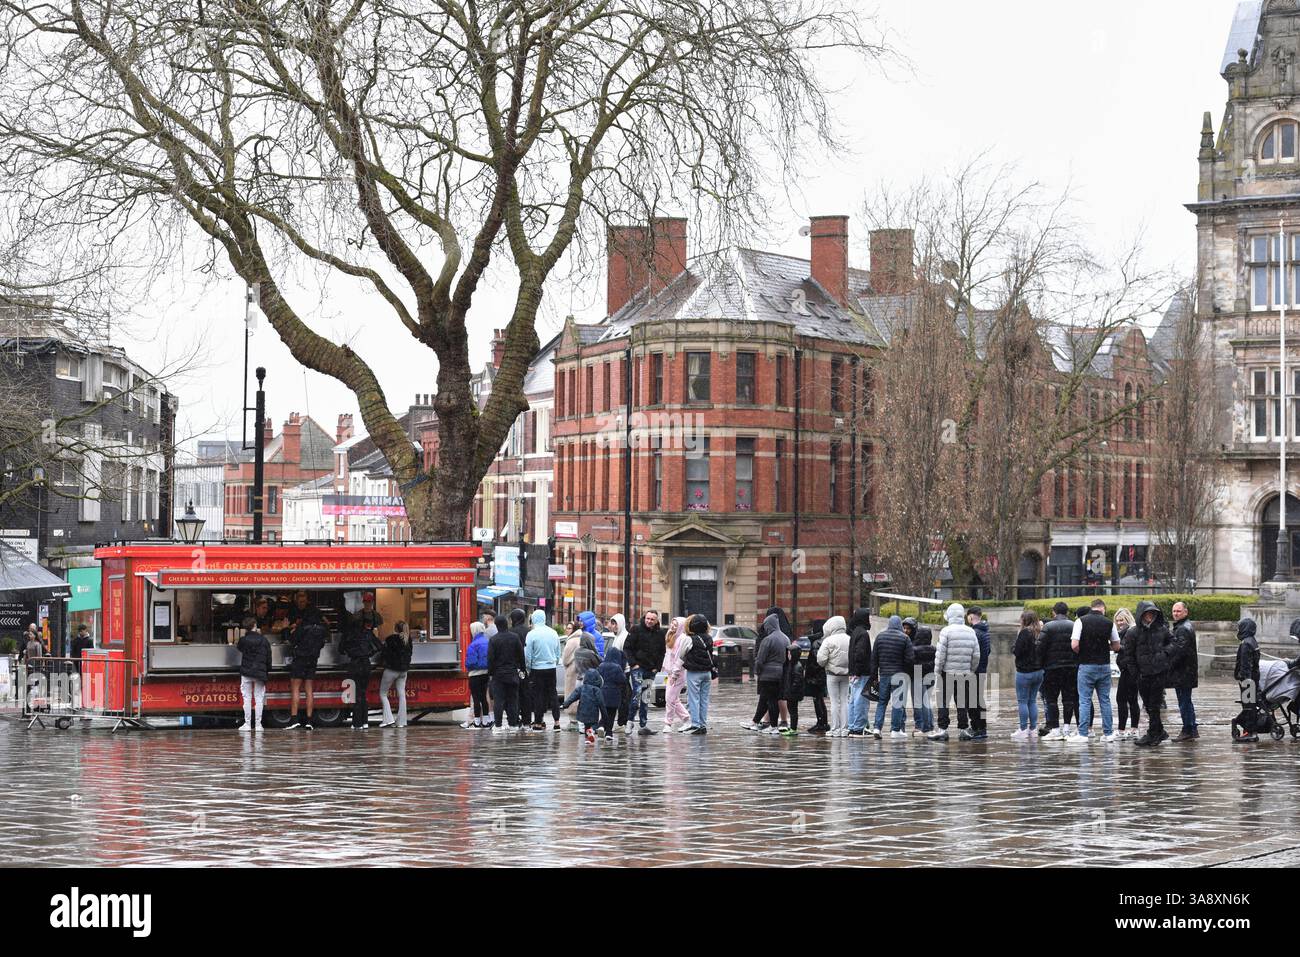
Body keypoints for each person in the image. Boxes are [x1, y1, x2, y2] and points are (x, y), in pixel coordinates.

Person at [1069, 599, 1121, 745]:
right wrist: (1104, 648)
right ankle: (1108, 733)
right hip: (1104, 666)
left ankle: (1083, 733)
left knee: (1084, 700)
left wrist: (1084, 651)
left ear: (1092, 608)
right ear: (1103, 608)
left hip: (1086, 665)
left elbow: (1074, 644)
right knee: (1105, 700)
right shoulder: (1109, 623)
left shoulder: (1080, 621)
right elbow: (1117, 646)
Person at [927, 603, 980, 742]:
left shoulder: (946, 631)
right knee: (962, 702)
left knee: (943, 701)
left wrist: (937, 670)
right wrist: (971, 670)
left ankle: (943, 730)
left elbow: (941, 654)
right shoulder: (970, 631)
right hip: (964, 673)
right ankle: (963, 729)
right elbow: (976, 655)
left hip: (947, 673)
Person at [1037, 602, 1080, 740]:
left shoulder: (1048, 627)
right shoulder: (1074, 625)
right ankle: (1067, 727)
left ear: (1053, 612)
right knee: (1069, 699)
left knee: (1051, 700)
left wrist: (1041, 664)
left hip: (1051, 668)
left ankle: (1055, 729)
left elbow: (1040, 648)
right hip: (1071, 668)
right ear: (1067, 612)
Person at [1132, 600, 1172, 748]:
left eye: (1152, 614)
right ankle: (1158, 731)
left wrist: (1164, 655)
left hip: (1158, 673)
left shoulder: (1161, 630)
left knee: (1154, 705)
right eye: (1147, 614)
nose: (1150, 617)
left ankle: (1154, 733)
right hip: (1142, 674)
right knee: (1149, 705)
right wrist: (1135, 672)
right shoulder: (1134, 632)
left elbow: (1173, 644)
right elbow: (1129, 655)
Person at [870, 614, 915, 740]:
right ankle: (895, 730)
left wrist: (874, 676)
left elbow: (874, 659)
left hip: (884, 675)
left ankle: (877, 728)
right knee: (897, 703)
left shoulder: (880, 637)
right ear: (900, 625)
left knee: (882, 702)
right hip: (899, 675)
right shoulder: (905, 638)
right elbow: (910, 659)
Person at [341, 596, 383, 730]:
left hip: (354, 664)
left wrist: (351, 653)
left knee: (356, 694)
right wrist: (368, 653)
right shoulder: (368, 633)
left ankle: (356, 722)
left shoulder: (348, 634)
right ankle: (364, 721)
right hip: (365, 663)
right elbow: (379, 646)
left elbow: (341, 649)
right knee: (363, 693)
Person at [746, 611, 791, 734]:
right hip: (780, 673)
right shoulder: (786, 638)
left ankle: (773, 726)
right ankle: (755, 722)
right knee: (768, 699)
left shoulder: (767, 640)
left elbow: (760, 659)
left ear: (768, 625)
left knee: (770, 700)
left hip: (767, 675)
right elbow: (788, 658)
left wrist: (757, 672)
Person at [286, 591, 326, 730]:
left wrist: (291, 630)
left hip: (300, 659)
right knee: (309, 690)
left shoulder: (303, 627)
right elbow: (322, 643)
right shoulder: (321, 629)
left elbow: (292, 640)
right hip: (313, 660)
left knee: (296, 688)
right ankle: (309, 721)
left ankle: (294, 719)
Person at [624, 610, 666, 735]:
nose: (649, 621)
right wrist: (633, 664)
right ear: (644, 618)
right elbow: (627, 648)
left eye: (652, 619)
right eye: (647, 618)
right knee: (636, 694)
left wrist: (657, 667)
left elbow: (662, 652)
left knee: (646, 696)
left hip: (650, 669)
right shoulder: (636, 630)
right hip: (638, 668)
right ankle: (630, 721)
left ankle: (643, 724)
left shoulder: (660, 633)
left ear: (656, 621)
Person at [525, 610, 562, 731]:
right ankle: (557, 722)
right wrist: (553, 662)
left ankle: (538, 722)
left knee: (538, 695)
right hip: (551, 667)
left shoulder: (532, 634)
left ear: (534, 619)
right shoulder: (553, 633)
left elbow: (528, 655)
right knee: (553, 694)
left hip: (537, 668)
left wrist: (529, 668)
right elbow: (558, 653)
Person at [487, 616, 526, 733]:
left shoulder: (493, 640)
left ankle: (498, 725)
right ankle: (513, 724)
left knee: (499, 700)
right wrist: (522, 669)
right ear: (507, 624)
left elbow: (490, 659)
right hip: (512, 673)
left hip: (498, 675)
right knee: (513, 700)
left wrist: (491, 673)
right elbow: (521, 655)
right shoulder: (515, 638)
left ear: (497, 626)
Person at [1168, 601, 1200, 742]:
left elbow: (1179, 652)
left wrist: (1168, 663)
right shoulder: (1184, 626)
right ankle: (1191, 728)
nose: (1175, 613)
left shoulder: (1182, 629)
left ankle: (1188, 729)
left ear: (1185, 612)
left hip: (1183, 673)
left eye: (1178, 611)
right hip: (1186, 672)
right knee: (1186, 701)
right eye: (1174, 611)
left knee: (1184, 702)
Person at [680, 614, 716, 734]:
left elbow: (681, 654)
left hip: (694, 672)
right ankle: (702, 724)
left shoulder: (690, 639)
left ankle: (695, 725)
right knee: (704, 699)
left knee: (693, 699)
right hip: (707, 673)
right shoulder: (709, 638)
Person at [816, 616, 851, 736]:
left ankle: (835, 729)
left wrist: (827, 664)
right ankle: (845, 728)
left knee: (834, 702)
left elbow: (821, 660)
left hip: (832, 674)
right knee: (845, 701)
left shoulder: (828, 641)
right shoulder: (849, 639)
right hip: (847, 674)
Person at [1011, 611, 1044, 741]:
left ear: (1025, 620)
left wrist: (1013, 647)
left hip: (1025, 671)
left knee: (1022, 701)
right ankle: (1033, 729)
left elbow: (1017, 651)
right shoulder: (1040, 632)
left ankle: (1023, 729)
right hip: (1039, 671)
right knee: (1032, 700)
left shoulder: (1024, 633)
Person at [236, 617, 271, 732]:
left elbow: (239, 648)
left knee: (247, 698)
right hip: (260, 672)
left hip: (246, 671)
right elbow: (268, 656)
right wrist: (267, 670)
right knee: (259, 698)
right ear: (255, 626)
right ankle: (258, 725)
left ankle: (247, 724)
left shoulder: (243, 640)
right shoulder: (264, 640)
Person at [1231, 617, 1261, 744]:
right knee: (1251, 706)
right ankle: (1249, 730)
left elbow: (1245, 665)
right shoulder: (1252, 641)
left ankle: (1249, 732)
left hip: (1248, 681)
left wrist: (1245, 680)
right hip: (1253, 680)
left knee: (1248, 707)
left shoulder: (1246, 644)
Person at [904, 618, 936, 734]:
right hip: (930, 677)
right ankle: (930, 724)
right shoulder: (933, 649)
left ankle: (923, 726)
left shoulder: (914, 649)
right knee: (926, 701)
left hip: (916, 677)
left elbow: (910, 662)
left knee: (919, 702)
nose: (905, 631)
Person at [1113, 608, 1141, 739]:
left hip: (1128, 669)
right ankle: (1134, 729)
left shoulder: (1129, 632)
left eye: (1121, 620)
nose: (1119, 623)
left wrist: (1117, 647)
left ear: (1127, 619)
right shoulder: (1130, 631)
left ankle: (1122, 730)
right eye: (1117, 620)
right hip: (1131, 669)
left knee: (1122, 699)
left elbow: (1127, 648)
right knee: (1132, 700)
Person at [379, 621, 412, 729]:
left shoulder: (391, 639)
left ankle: (388, 719)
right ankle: (402, 721)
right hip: (404, 671)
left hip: (391, 669)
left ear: (396, 629)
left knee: (383, 694)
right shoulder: (408, 640)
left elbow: (384, 653)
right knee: (402, 695)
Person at [846, 607, 872, 737]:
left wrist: (854, 671)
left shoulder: (855, 632)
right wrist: (858, 671)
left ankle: (852, 726)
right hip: (861, 672)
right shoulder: (863, 634)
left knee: (852, 700)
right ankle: (859, 727)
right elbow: (860, 654)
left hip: (854, 671)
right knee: (861, 700)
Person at [661, 616, 691, 732]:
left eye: (676, 624)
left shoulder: (682, 638)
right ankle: (686, 719)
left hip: (678, 674)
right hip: (670, 672)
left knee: (669, 699)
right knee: (673, 699)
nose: (673, 626)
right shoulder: (670, 635)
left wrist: (674, 674)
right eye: (672, 623)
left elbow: (679, 658)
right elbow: (668, 655)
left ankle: (668, 723)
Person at [506, 609, 534, 729]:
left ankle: (514, 718)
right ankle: (527, 720)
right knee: (526, 694)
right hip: (526, 669)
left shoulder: (510, 632)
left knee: (513, 695)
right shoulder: (529, 632)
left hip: (513, 668)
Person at [561, 666, 605, 744]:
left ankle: (587, 739)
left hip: (582, 711)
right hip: (593, 711)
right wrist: (604, 714)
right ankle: (591, 731)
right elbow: (601, 703)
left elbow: (572, 697)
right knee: (594, 724)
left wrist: (565, 705)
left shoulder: (581, 688)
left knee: (586, 725)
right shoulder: (597, 690)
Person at [967, 606, 992, 739]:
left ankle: (978, 728)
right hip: (982, 669)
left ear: (970, 617)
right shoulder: (986, 631)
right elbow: (988, 651)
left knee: (973, 701)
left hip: (974, 670)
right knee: (978, 699)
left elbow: (971, 653)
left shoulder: (974, 633)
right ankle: (981, 727)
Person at [802, 619, 830, 734]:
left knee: (818, 700)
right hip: (819, 676)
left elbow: (817, 661)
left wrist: (810, 674)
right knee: (819, 700)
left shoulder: (816, 643)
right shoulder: (820, 641)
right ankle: (822, 722)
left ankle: (821, 723)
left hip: (816, 677)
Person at [462, 621, 491, 729]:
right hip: (485, 674)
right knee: (484, 697)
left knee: (476, 698)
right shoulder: (487, 642)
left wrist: (467, 665)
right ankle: (486, 721)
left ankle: (477, 722)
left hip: (475, 675)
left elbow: (471, 662)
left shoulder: (473, 645)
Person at [597, 645, 628, 738]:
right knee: (612, 714)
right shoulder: (617, 667)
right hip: (614, 694)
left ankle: (601, 726)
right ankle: (609, 733)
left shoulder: (601, 666)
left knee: (604, 712)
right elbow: (622, 680)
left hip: (603, 693)